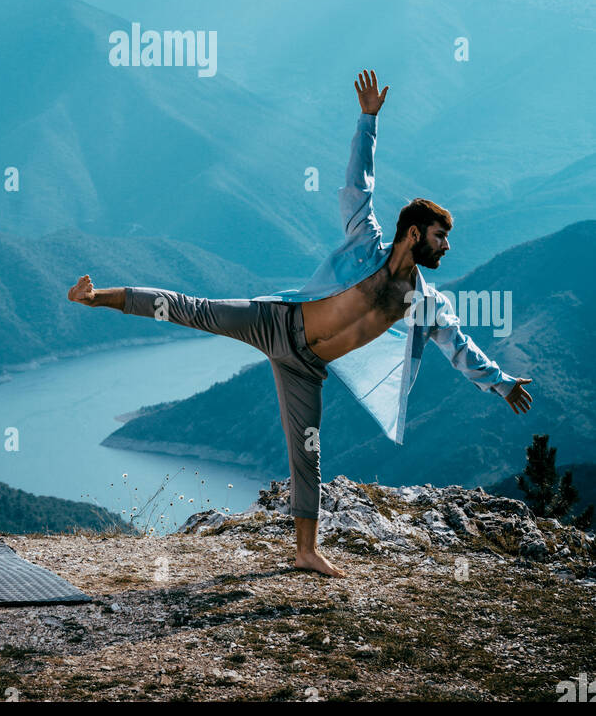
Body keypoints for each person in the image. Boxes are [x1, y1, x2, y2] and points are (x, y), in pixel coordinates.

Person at [67, 70, 533, 577]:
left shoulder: (425, 302)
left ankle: (306, 552)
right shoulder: (365, 242)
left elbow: (460, 348)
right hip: (276, 321)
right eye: (442, 236)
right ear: (414, 233)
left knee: (307, 455)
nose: (447, 246)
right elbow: (358, 184)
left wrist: (503, 383)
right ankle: (96, 297)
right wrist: (368, 120)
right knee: (190, 307)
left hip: (305, 367)